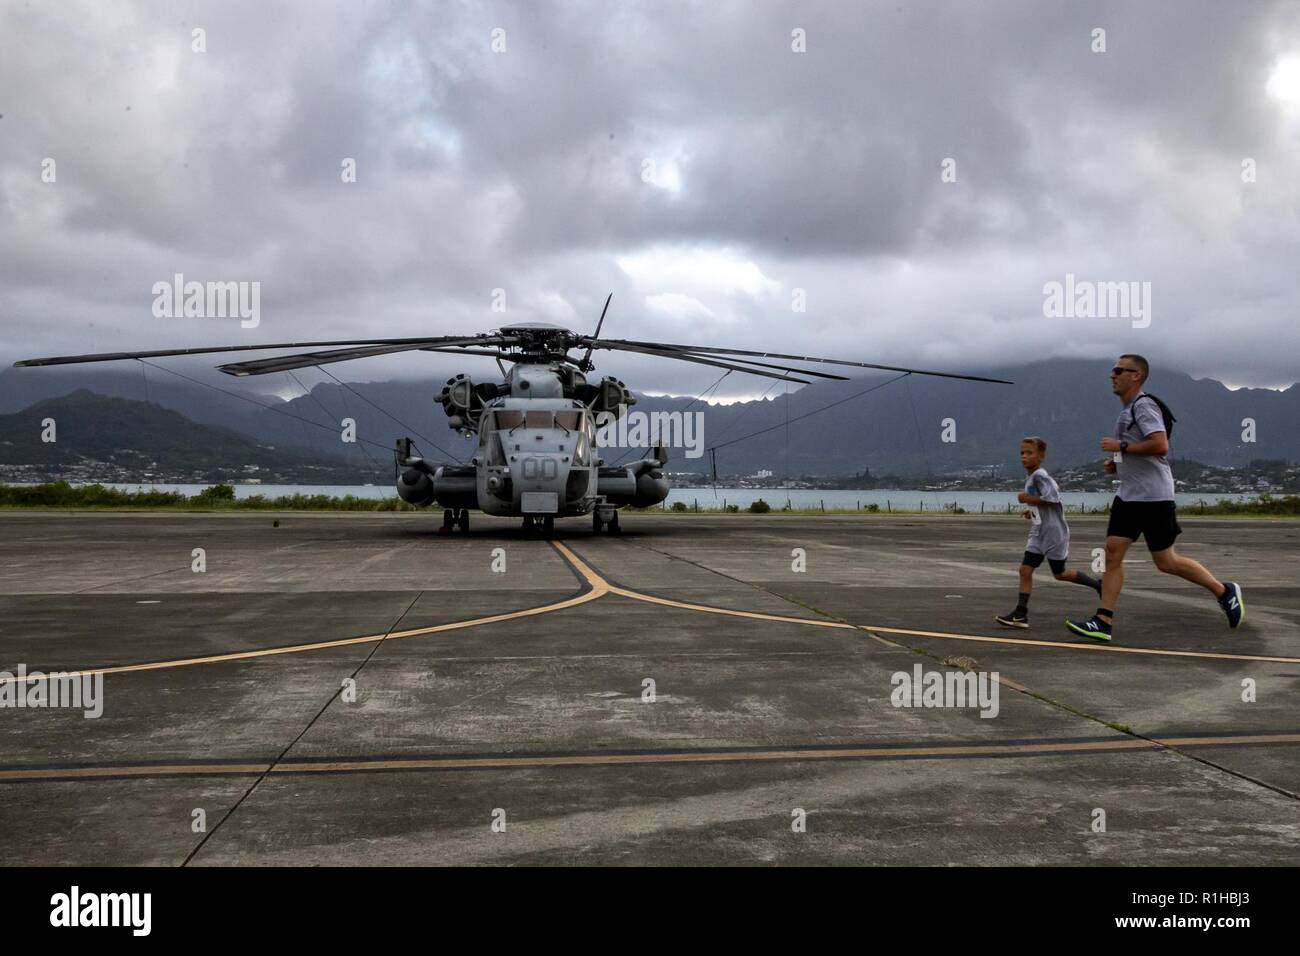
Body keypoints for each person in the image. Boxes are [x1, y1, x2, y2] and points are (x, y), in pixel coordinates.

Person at [1066, 355, 1243, 642]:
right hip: (1129, 496)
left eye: (1119, 370)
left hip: (1153, 497)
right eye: (1113, 370)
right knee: (1112, 553)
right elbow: (1139, 447)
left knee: (1166, 562)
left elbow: (1160, 444)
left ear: (1136, 376)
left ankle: (1224, 591)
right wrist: (1118, 461)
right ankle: (1103, 621)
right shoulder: (1127, 412)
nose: (1113, 375)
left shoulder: (1144, 406)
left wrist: (1120, 445)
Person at [995, 436, 1101, 628]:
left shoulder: (1041, 476)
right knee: (1025, 570)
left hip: (1054, 533)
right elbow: (1043, 502)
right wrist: (1031, 510)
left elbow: (1052, 498)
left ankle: (1097, 585)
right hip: (1038, 532)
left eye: (1029, 453)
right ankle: (1020, 614)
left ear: (1041, 456)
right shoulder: (1032, 476)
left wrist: (1025, 498)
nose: (1024, 457)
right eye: (1022, 453)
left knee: (1059, 574)